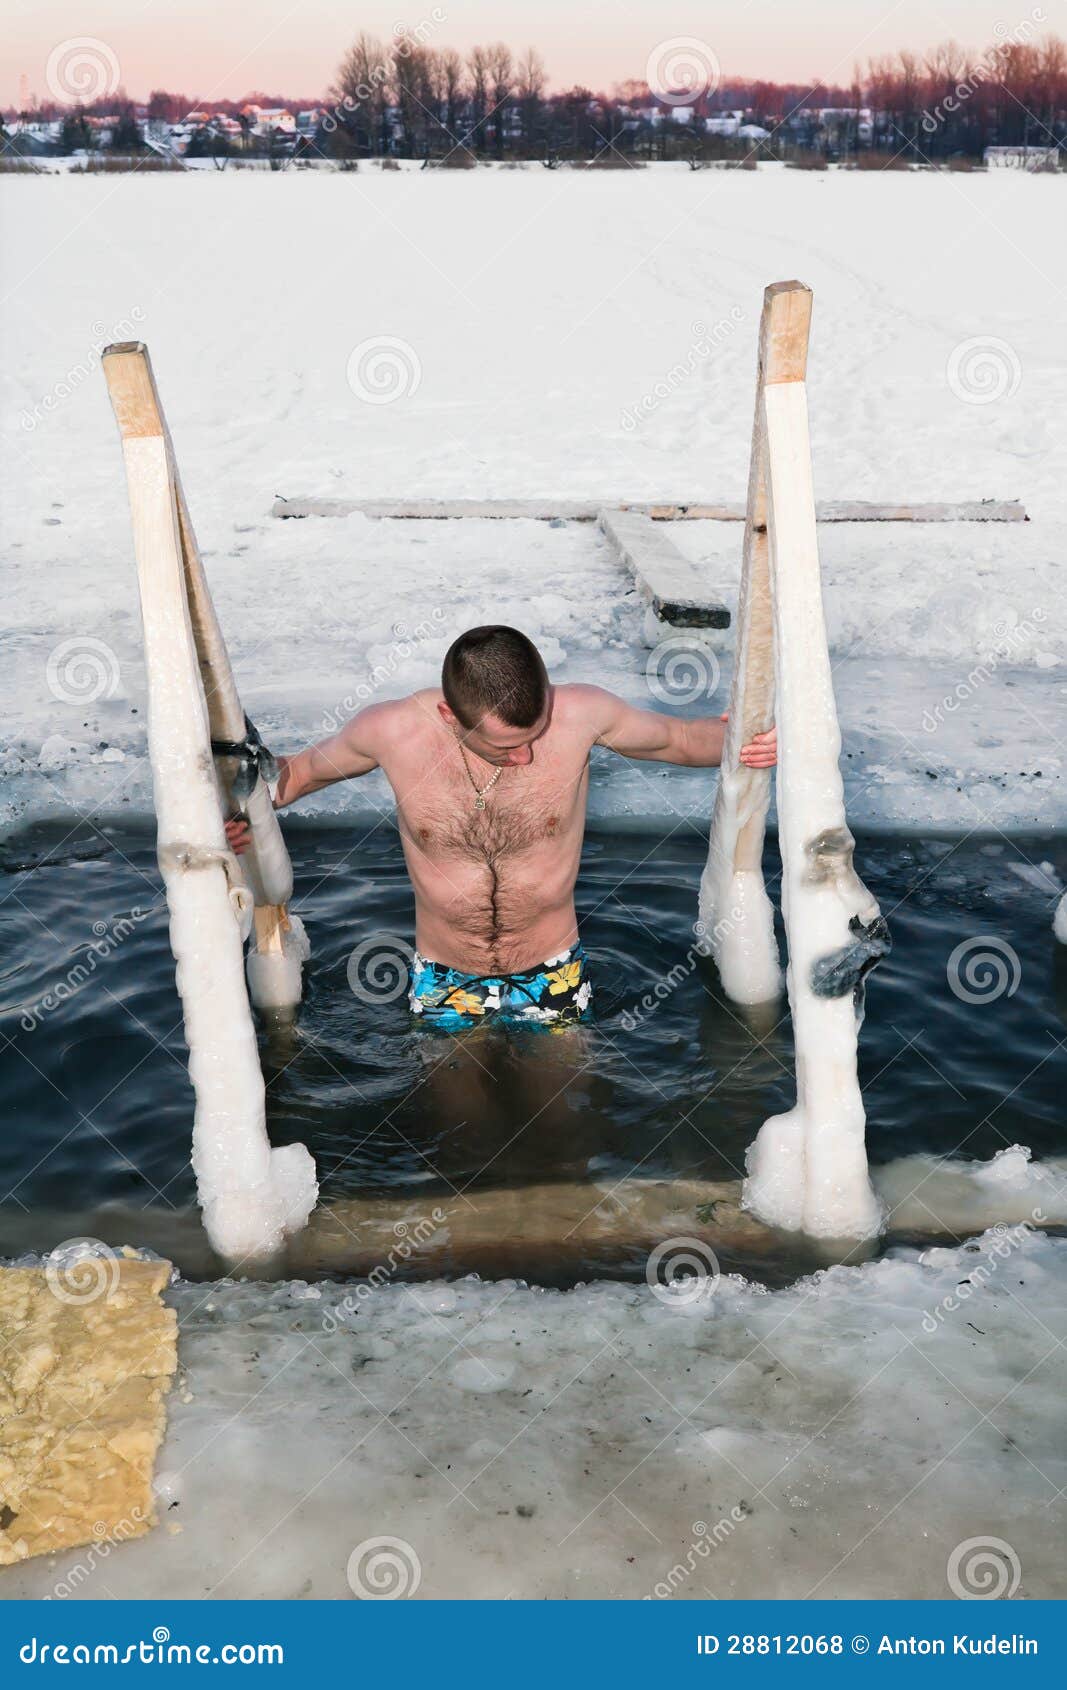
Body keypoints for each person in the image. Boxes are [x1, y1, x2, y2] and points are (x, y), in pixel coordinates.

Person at [226, 625, 776, 1028]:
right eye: (506, 746)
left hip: (553, 967)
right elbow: (290, 778)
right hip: (445, 976)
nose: (527, 758)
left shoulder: (581, 713)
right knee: (457, 1126)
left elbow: (680, 739)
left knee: (562, 1119)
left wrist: (752, 740)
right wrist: (235, 815)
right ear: (450, 717)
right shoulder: (391, 732)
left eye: (536, 734)